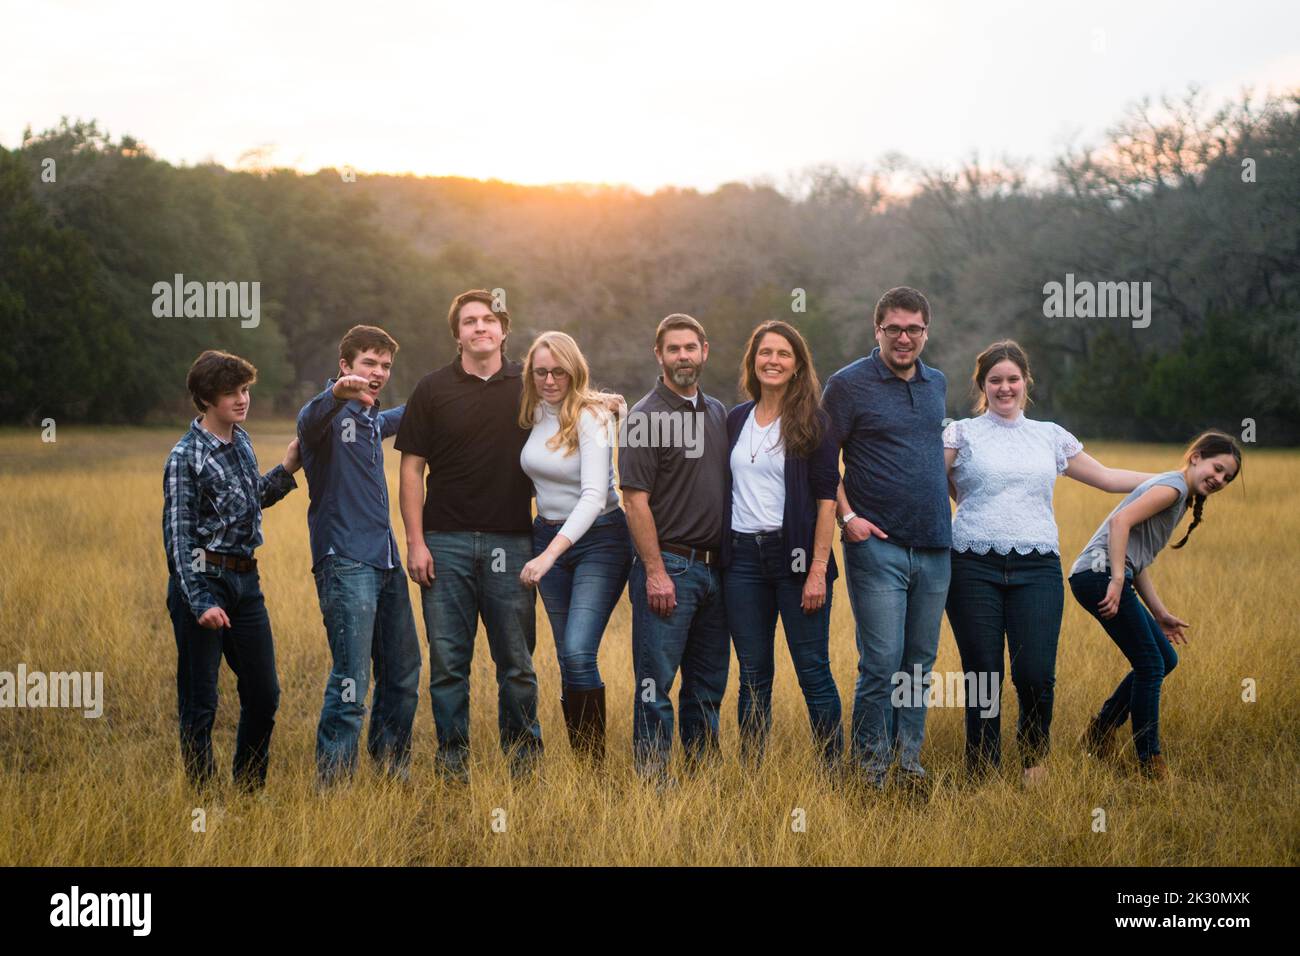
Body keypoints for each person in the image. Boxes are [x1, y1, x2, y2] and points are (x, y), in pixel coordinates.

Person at [942, 340, 1152, 786]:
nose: (1004, 387)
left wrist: (1172, 480)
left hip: (1037, 568)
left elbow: (1109, 478)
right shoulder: (960, 433)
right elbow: (928, 479)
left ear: (1025, 382)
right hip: (971, 566)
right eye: (994, 380)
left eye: (1012, 379)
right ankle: (982, 772)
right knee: (983, 675)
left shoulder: (1049, 436)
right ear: (982, 385)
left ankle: (1033, 764)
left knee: (1036, 674)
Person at [395, 290, 543, 782]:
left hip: (513, 543)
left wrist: (608, 402)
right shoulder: (432, 389)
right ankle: (452, 764)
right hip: (445, 542)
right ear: (457, 334)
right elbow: (412, 470)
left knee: (517, 665)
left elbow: (575, 405)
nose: (480, 328)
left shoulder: (529, 385)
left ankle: (523, 763)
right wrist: (416, 543)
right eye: (469, 321)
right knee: (448, 664)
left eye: (488, 320)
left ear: (503, 329)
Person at [821, 286, 950, 798]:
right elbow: (820, 460)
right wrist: (847, 517)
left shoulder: (937, 383)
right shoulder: (848, 385)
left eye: (913, 329)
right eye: (893, 328)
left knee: (919, 662)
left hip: (937, 547)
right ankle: (870, 772)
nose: (903, 337)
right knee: (880, 661)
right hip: (876, 546)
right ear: (877, 330)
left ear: (925, 332)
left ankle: (908, 767)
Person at [1068, 430, 1242, 781]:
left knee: (1165, 659)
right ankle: (1150, 761)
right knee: (1150, 664)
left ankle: (1100, 730)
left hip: (1102, 575)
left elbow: (1137, 559)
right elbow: (1121, 523)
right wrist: (1117, 580)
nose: (1219, 479)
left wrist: (1160, 612)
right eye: (1217, 467)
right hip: (1097, 576)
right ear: (1196, 457)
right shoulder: (1173, 488)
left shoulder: (1179, 495)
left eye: (1227, 477)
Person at [163, 349, 301, 792]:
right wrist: (200, 600)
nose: (243, 399)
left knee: (264, 694)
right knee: (200, 702)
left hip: (246, 582)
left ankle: (247, 791)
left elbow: (247, 502)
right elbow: (179, 539)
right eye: (231, 392)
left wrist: (286, 469)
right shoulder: (185, 457)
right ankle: (203, 798)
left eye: (245, 390)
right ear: (206, 398)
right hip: (203, 582)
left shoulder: (240, 440)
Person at [297, 324, 421, 788]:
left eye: (385, 366)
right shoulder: (324, 419)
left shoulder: (372, 420)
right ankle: (334, 785)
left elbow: (417, 411)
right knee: (352, 678)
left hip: (386, 562)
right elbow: (308, 419)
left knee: (404, 670)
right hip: (345, 560)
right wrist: (337, 391)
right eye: (369, 363)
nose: (379, 373)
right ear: (346, 364)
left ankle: (391, 766)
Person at [721, 320, 842, 769]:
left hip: (795, 560)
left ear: (797, 366)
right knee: (753, 675)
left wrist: (816, 569)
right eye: (765, 352)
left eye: (783, 354)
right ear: (754, 361)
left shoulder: (814, 422)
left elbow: (827, 500)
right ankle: (752, 773)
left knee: (813, 670)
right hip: (742, 562)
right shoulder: (736, 419)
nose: (773, 360)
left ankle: (833, 770)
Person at [619, 313, 731, 782]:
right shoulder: (645, 417)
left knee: (706, 687)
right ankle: (653, 784)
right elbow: (634, 501)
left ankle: (702, 779)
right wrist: (655, 571)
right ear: (659, 355)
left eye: (690, 347)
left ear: (705, 350)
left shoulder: (717, 412)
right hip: (671, 567)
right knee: (656, 684)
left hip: (717, 571)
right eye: (673, 349)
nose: (683, 356)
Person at [518, 331, 632, 763]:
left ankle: (593, 770)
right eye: (541, 371)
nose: (549, 379)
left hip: (598, 540)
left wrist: (548, 556)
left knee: (578, 650)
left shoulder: (591, 417)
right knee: (568, 656)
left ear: (573, 371)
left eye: (559, 371)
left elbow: (592, 496)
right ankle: (584, 763)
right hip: (547, 533)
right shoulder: (530, 411)